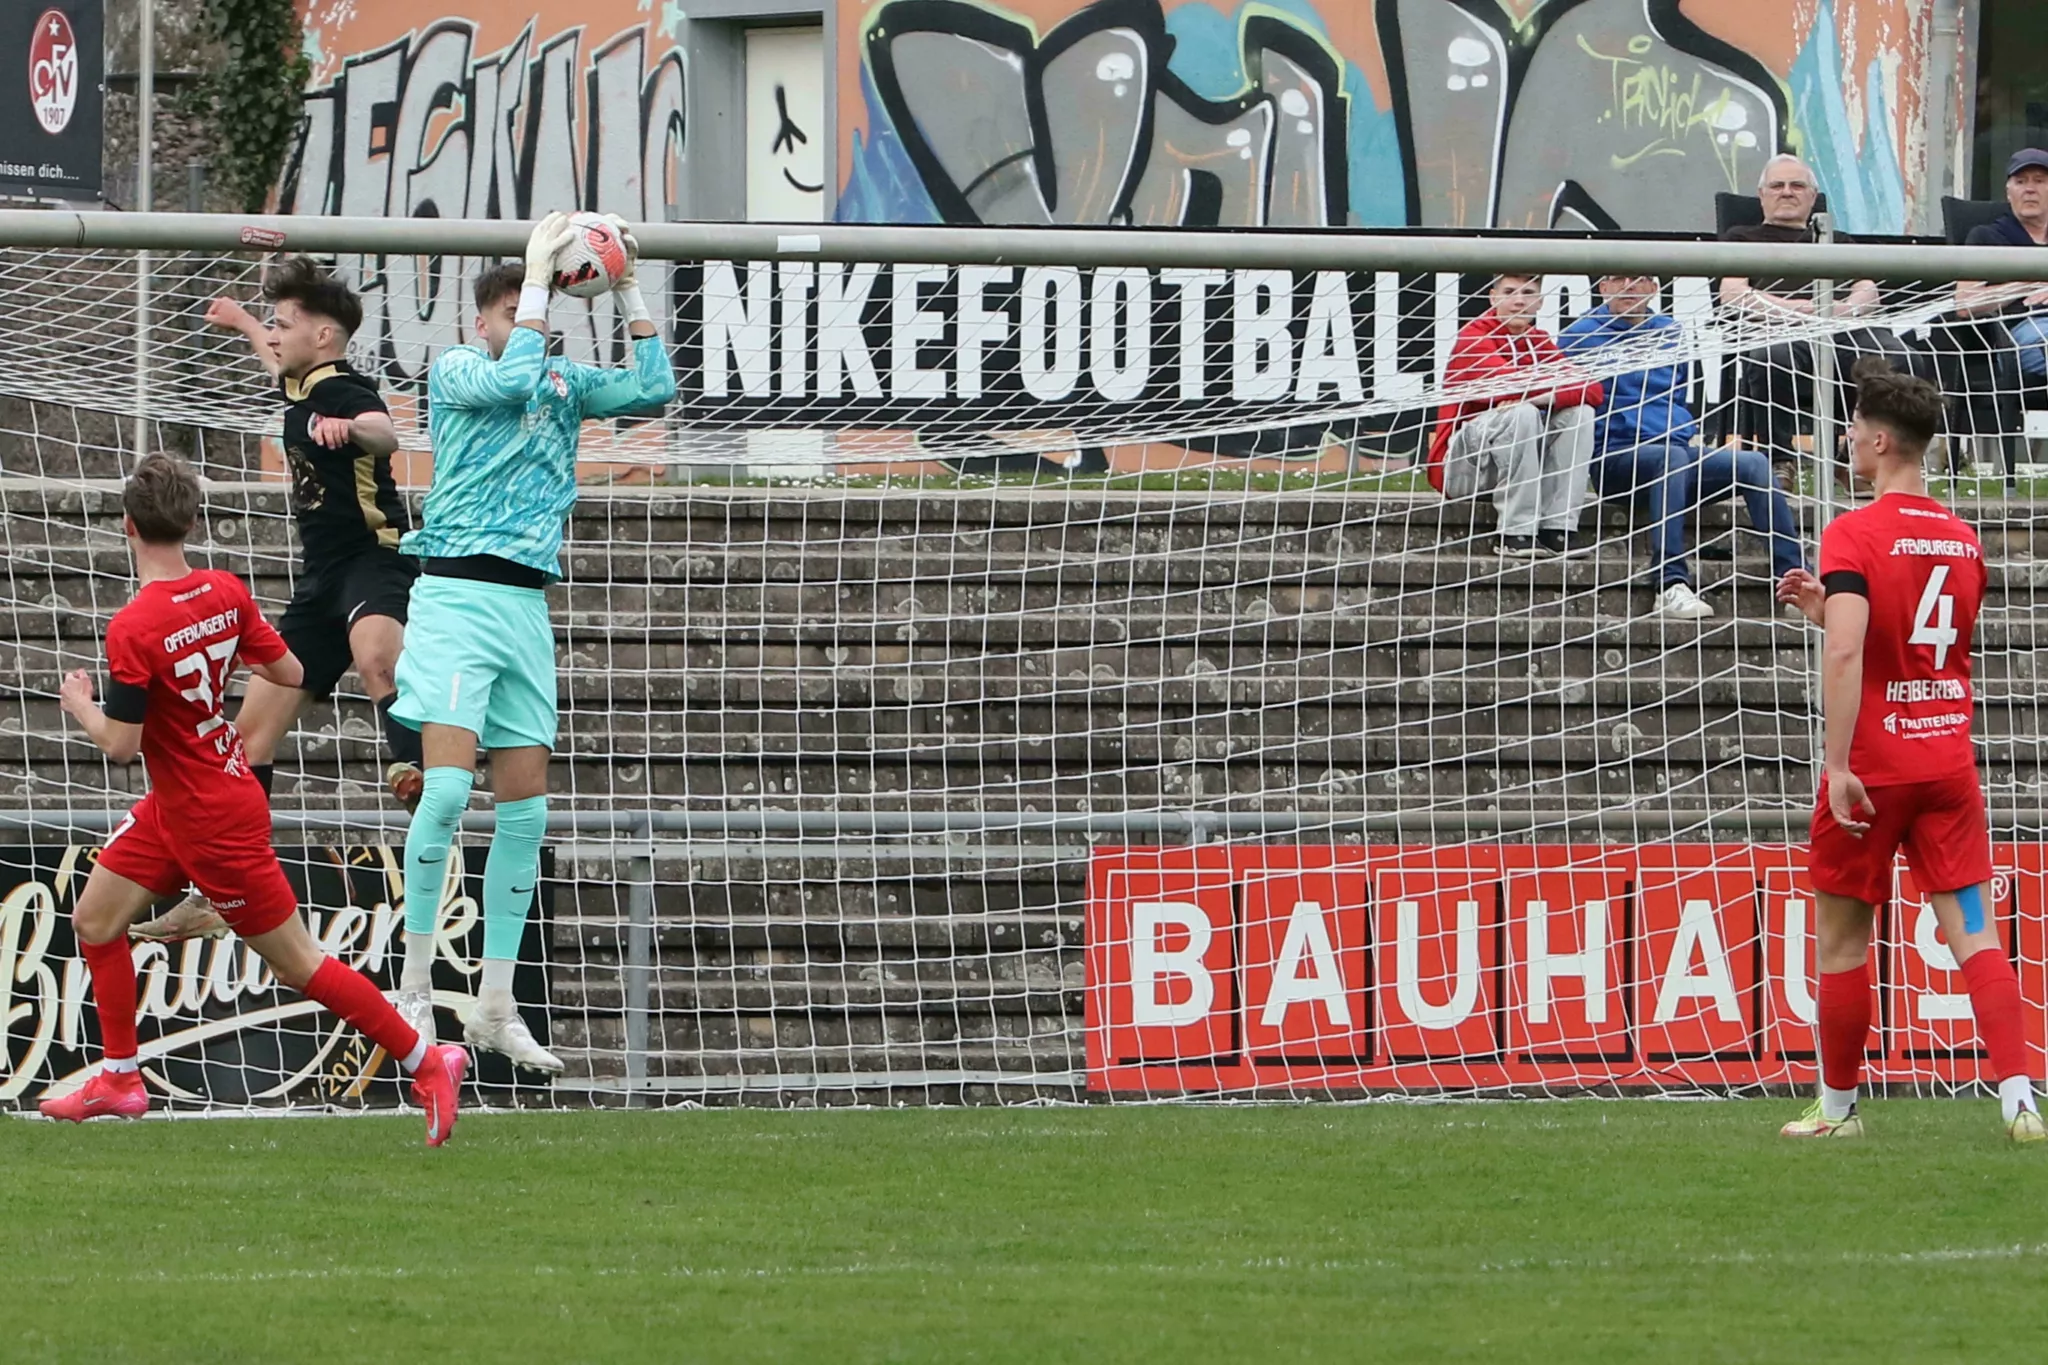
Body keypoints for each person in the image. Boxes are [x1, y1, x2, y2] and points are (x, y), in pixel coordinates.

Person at [40, 453, 467, 1144]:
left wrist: (81, 705)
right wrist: (220, 656)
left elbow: (120, 744)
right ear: (192, 521)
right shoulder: (224, 591)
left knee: (300, 964)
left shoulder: (133, 627)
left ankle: (427, 1059)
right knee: (95, 919)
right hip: (188, 798)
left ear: (126, 526)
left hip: (210, 818)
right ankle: (120, 1076)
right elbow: (292, 670)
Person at [389, 213, 677, 1073]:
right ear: (482, 320)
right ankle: (410, 986)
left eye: (536, 304)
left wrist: (625, 286)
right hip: (455, 596)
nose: (528, 321)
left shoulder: (569, 382)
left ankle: (495, 1003)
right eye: (511, 308)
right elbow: (515, 380)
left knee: (528, 810)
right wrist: (539, 282)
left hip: (524, 608)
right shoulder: (461, 369)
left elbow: (654, 389)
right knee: (443, 795)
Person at [1774, 361, 2041, 1143]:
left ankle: (1838, 1111)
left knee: (1842, 942)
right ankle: (2020, 1097)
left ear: (1881, 439)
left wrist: (1837, 765)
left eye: (1854, 427)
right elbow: (1924, 647)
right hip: (1947, 762)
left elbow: (1853, 658)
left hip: (1876, 773)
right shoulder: (1963, 538)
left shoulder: (1853, 531)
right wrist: (1831, 613)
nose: (1847, 438)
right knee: (1976, 935)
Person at [141, 260, 426, 945]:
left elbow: (387, 434)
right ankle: (223, 892)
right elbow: (272, 356)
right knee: (247, 738)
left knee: (376, 655)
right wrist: (242, 320)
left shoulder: (347, 390)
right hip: (319, 581)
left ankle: (416, 769)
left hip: (373, 559)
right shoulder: (300, 381)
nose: (274, 332)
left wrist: (351, 431)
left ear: (324, 335)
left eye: (284, 322)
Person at [1559, 272, 1804, 620]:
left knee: (1754, 464)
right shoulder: (1577, 338)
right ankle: (1669, 584)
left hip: (1674, 458)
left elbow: (1675, 398)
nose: (1630, 287)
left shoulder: (1671, 332)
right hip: (1614, 461)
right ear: (1602, 288)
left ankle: (1794, 581)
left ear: (1655, 288)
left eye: (1640, 279)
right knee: (1671, 457)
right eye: (1618, 278)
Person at [1719, 154, 1929, 475]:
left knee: (1901, 357)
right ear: (1762, 196)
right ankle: (1780, 460)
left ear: (1812, 197)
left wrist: (1841, 310)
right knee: (1771, 357)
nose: (1787, 191)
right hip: (1779, 330)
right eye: (1777, 185)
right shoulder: (1741, 237)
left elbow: (1869, 289)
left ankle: (1863, 456)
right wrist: (1801, 311)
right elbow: (1733, 294)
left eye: (1797, 185)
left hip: (1842, 329)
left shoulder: (1837, 239)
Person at [1428, 273, 1604, 557]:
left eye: (1529, 294)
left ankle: (1556, 528)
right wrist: (1536, 392)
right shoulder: (1473, 338)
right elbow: (1507, 384)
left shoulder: (1540, 342)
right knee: (1520, 413)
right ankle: (1514, 534)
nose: (1519, 301)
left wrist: (1545, 396)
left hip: (1518, 467)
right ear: (1493, 297)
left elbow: (1593, 390)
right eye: (1510, 292)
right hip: (1463, 472)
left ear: (1540, 303)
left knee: (1580, 413)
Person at [1954, 147, 2048, 376]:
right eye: (2020, 181)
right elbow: (1964, 304)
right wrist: (2030, 284)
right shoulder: (1987, 236)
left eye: (2039, 181)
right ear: (2008, 193)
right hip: (2023, 333)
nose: (2029, 189)